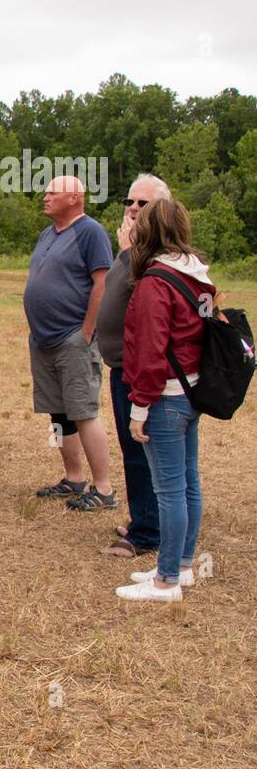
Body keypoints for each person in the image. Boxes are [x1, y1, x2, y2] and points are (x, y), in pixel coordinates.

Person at [117, 199, 215, 602]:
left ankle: (167, 580)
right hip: (191, 392)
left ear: (149, 232)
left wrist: (139, 407)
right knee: (188, 482)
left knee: (170, 490)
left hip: (166, 397)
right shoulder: (198, 274)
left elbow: (150, 351)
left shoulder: (156, 282)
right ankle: (181, 565)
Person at [24, 175, 116, 510]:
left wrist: (86, 332)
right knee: (58, 414)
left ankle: (104, 490)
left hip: (72, 339)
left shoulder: (90, 232)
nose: (45, 197)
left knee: (83, 412)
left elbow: (102, 284)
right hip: (43, 341)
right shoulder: (48, 234)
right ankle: (74, 478)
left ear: (74, 198)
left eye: (53, 192)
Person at [97, 174, 171, 557]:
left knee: (142, 451)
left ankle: (147, 532)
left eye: (144, 204)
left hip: (139, 371)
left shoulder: (154, 254)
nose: (133, 209)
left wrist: (127, 253)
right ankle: (145, 517)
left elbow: (142, 296)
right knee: (133, 450)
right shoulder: (134, 249)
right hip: (121, 367)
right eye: (130, 201)